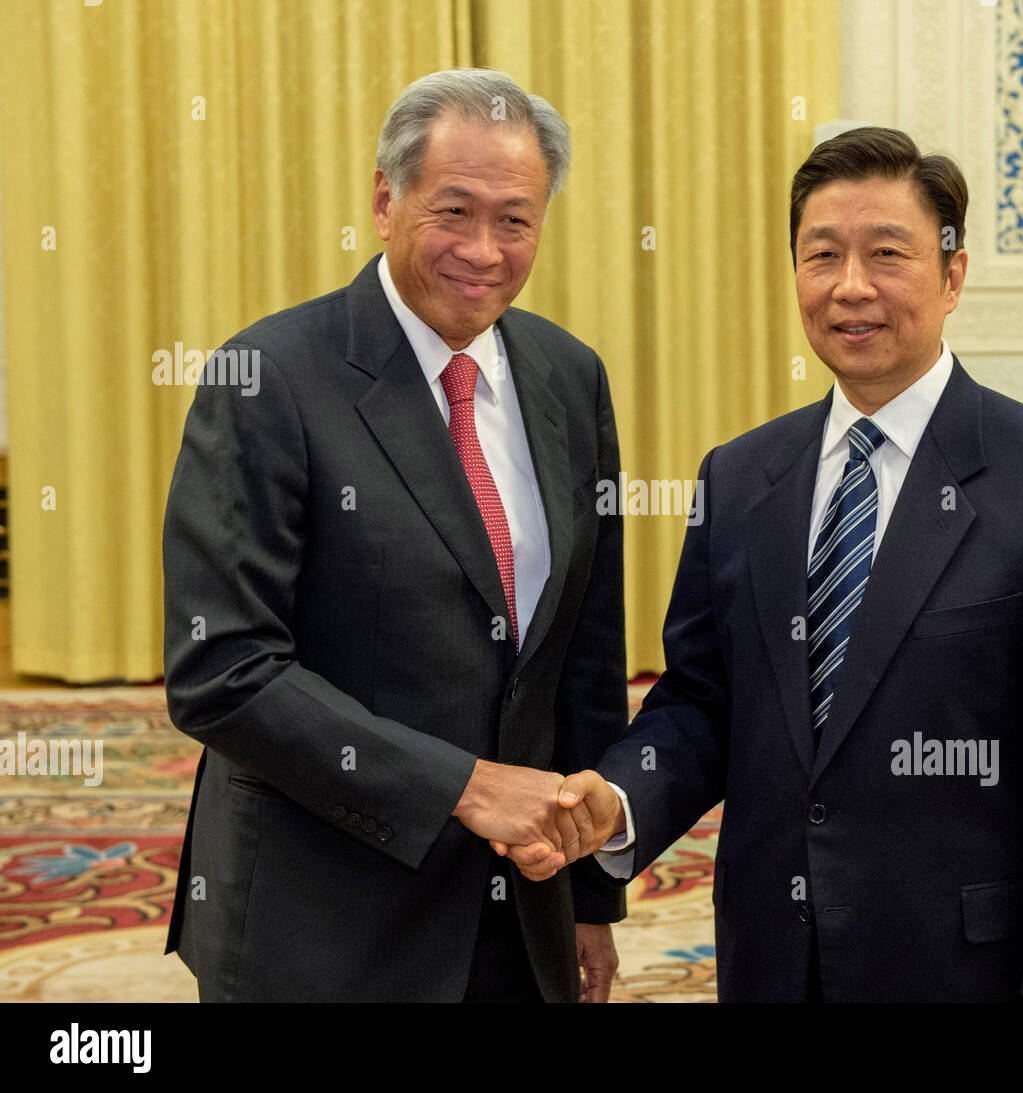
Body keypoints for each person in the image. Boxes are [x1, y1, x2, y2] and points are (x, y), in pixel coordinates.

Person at [506, 126, 1023, 1003]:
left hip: (966, 969)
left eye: (887, 254)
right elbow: (703, 700)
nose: (851, 286)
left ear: (953, 276)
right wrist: (617, 804)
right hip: (773, 961)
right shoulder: (740, 475)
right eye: (823, 255)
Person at [161, 68, 627, 1002]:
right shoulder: (270, 377)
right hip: (322, 920)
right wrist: (466, 787)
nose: (483, 250)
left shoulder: (570, 378)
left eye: (516, 219)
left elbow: (583, 654)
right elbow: (223, 673)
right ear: (385, 199)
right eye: (452, 209)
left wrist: (588, 894)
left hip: (514, 916)